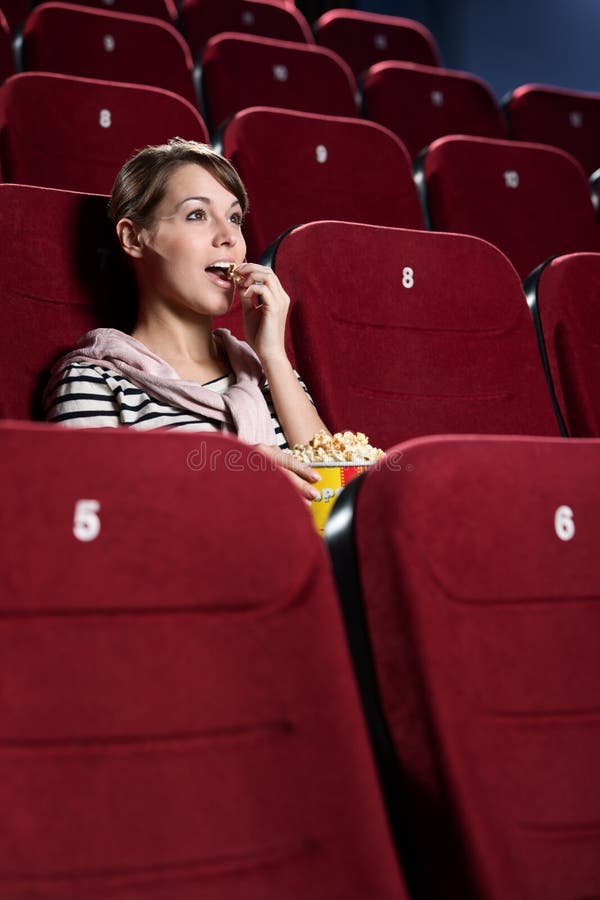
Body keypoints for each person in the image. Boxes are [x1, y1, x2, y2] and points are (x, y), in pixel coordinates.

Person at [44, 138, 329, 500]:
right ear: (134, 238)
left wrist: (273, 356)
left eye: (235, 218)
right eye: (197, 215)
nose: (228, 237)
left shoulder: (269, 372)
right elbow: (94, 516)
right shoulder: (93, 383)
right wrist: (230, 478)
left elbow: (333, 489)